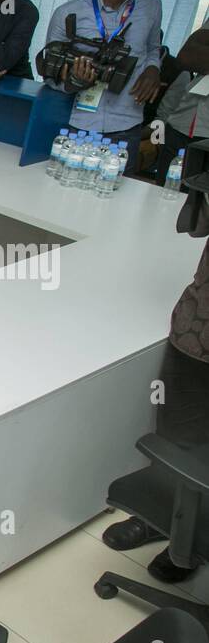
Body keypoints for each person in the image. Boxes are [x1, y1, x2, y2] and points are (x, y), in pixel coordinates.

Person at [102, 229, 209, 583]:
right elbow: (196, 222)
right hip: (201, 328)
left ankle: (193, 546)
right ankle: (165, 522)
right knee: (176, 436)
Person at [41, 0, 162, 177]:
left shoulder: (152, 7)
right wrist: (74, 81)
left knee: (113, 200)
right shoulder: (68, 13)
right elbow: (49, 74)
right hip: (77, 129)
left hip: (127, 128)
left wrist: (153, 69)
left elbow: (153, 49)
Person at [153, 18, 209, 184]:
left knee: (197, 205)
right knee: (162, 192)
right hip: (180, 125)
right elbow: (186, 56)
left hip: (206, 137)